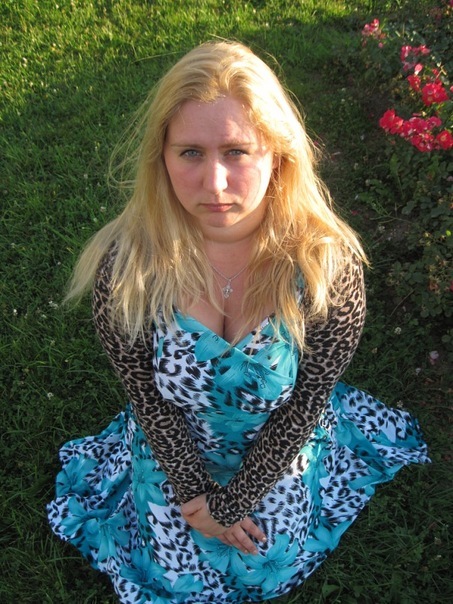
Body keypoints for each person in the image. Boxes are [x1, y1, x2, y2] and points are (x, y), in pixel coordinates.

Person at [47, 40, 429, 604]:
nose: (216, 184)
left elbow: (307, 400)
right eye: (190, 153)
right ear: (161, 156)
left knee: (263, 566)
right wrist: (192, 491)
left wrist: (231, 503)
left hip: (279, 442)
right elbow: (146, 396)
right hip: (174, 441)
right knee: (172, 569)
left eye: (237, 151)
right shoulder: (127, 265)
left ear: (278, 154)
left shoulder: (325, 265)